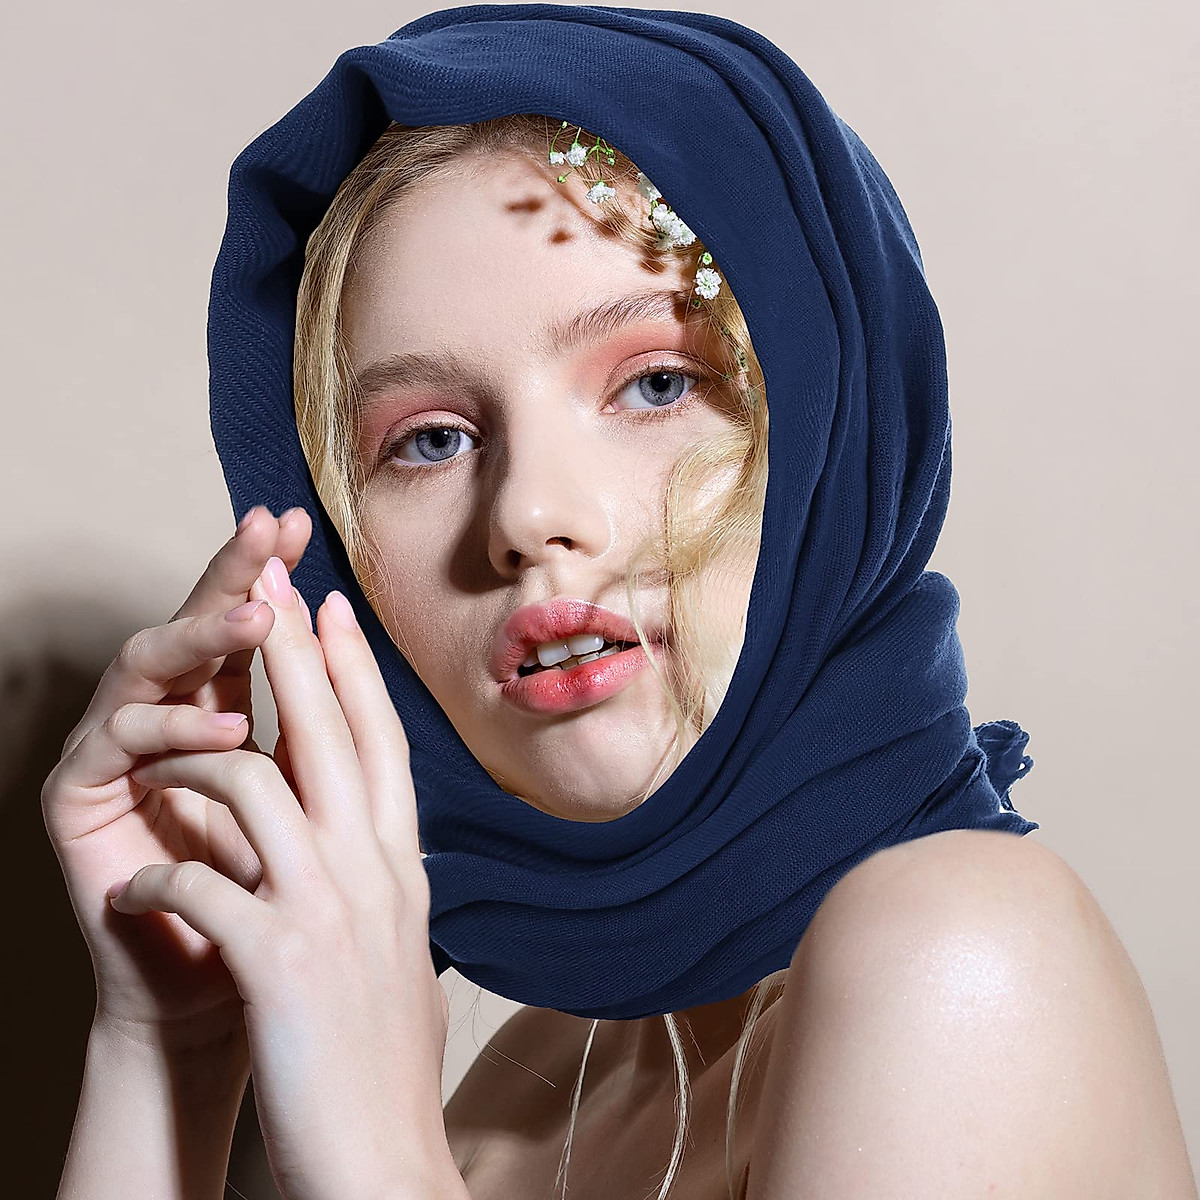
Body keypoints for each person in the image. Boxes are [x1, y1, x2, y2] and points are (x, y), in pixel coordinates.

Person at [42, 8, 1197, 1200]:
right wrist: (174, 1047)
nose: (528, 513)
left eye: (655, 384)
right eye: (430, 440)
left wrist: (376, 1154)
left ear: (837, 432)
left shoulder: (964, 957)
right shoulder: (525, 1096)